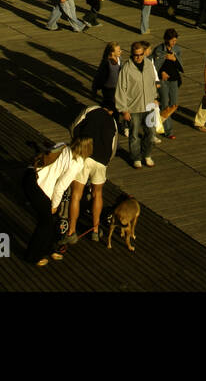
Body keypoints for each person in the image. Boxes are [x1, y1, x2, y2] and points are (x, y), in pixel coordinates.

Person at [22, 133, 93, 267]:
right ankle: (32, 256)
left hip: (30, 175)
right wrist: (55, 205)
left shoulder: (63, 145)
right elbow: (60, 187)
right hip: (39, 186)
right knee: (45, 224)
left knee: (49, 221)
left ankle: (48, 249)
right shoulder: (76, 163)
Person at [63, 104, 118, 244]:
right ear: (111, 111)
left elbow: (73, 126)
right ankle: (94, 230)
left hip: (83, 154)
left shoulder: (91, 109)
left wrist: (77, 143)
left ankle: (71, 231)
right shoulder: (113, 122)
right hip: (101, 160)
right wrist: (105, 162)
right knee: (97, 194)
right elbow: (113, 148)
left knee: (75, 194)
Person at [115, 40, 160, 167]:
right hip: (133, 108)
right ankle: (136, 157)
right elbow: (121, 89)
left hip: (149, 106)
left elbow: (152, 83)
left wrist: (155, 97)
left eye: (141, 54)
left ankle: (147, 155)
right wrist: (123, 110)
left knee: (151, 133)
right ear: (132, 54)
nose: (139, 57)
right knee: (134, 135)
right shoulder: (126, 68)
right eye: (136, 55)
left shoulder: (149, 65)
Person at [152, 28, 183, 138]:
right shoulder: (159, 50)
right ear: (166, 39)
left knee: (173, 104)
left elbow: (180, 66)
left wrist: (174, 59)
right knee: (165, 104)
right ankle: (168, 131)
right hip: (163, 80)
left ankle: (157, 121)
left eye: (175, 40)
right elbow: (155, 65)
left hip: (173, 79)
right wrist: (162, 73)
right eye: (172, 40)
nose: (174, 43)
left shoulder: (177, 50)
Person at [91, 43, 123, 111]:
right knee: (109, 105)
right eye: (118, 50)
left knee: (116, 105)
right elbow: (99, 76)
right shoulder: (106, 63)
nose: (121, 51)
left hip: (118, 87)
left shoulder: (119, 58)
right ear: (112, 52)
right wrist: (95, 88)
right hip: (108, 89)